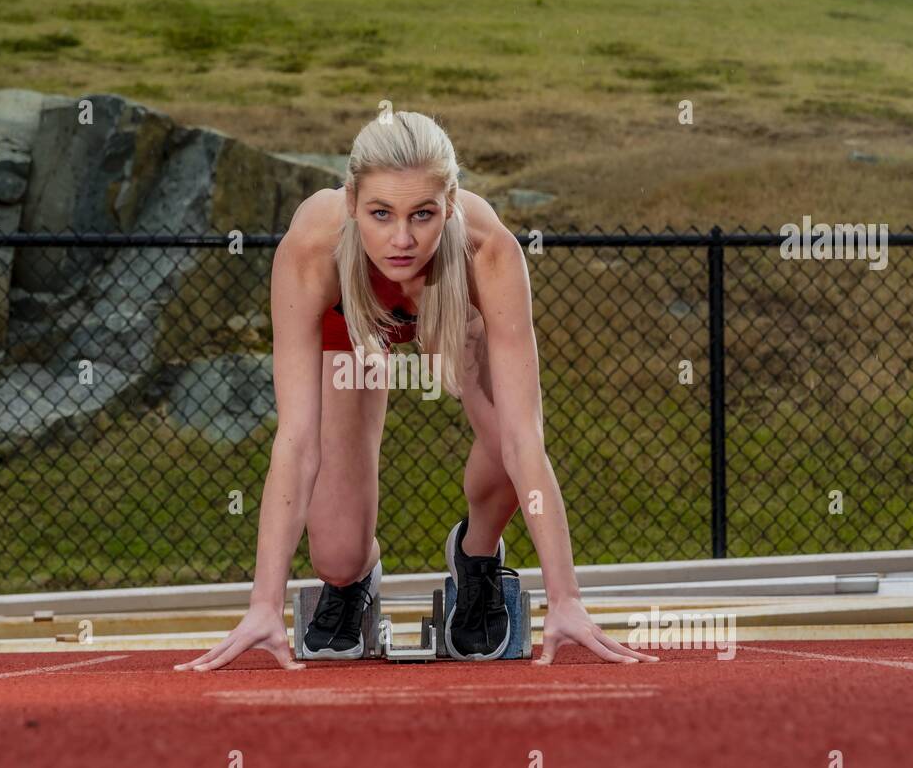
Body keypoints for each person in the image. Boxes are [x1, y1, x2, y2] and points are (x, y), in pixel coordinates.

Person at [174, 111, 658, 671]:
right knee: (334, 556)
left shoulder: (488, 252)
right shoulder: (312, 248)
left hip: (451, 309)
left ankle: (475, 556)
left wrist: (566, 598)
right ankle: (357, 576)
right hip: (349, 328)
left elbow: (528, 441)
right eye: (381, 214)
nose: (402, 239)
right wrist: (265, 603)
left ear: (450, 203)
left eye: (423, 215)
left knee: (505, 437)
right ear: (352, 201)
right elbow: (297, 440)